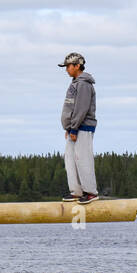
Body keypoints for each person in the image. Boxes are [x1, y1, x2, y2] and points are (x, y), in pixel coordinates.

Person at [59, 52, 98, 203]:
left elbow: (81, 108)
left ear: (77, 66)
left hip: (83, 127)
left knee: (83, 158)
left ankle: (90, 192)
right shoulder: (75, 82)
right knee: (70, 158)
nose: (66, 69)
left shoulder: (84, 84)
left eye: (68, 66)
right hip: (73, 128)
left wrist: (74, 128)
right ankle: (76, 190)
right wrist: (68, 128)